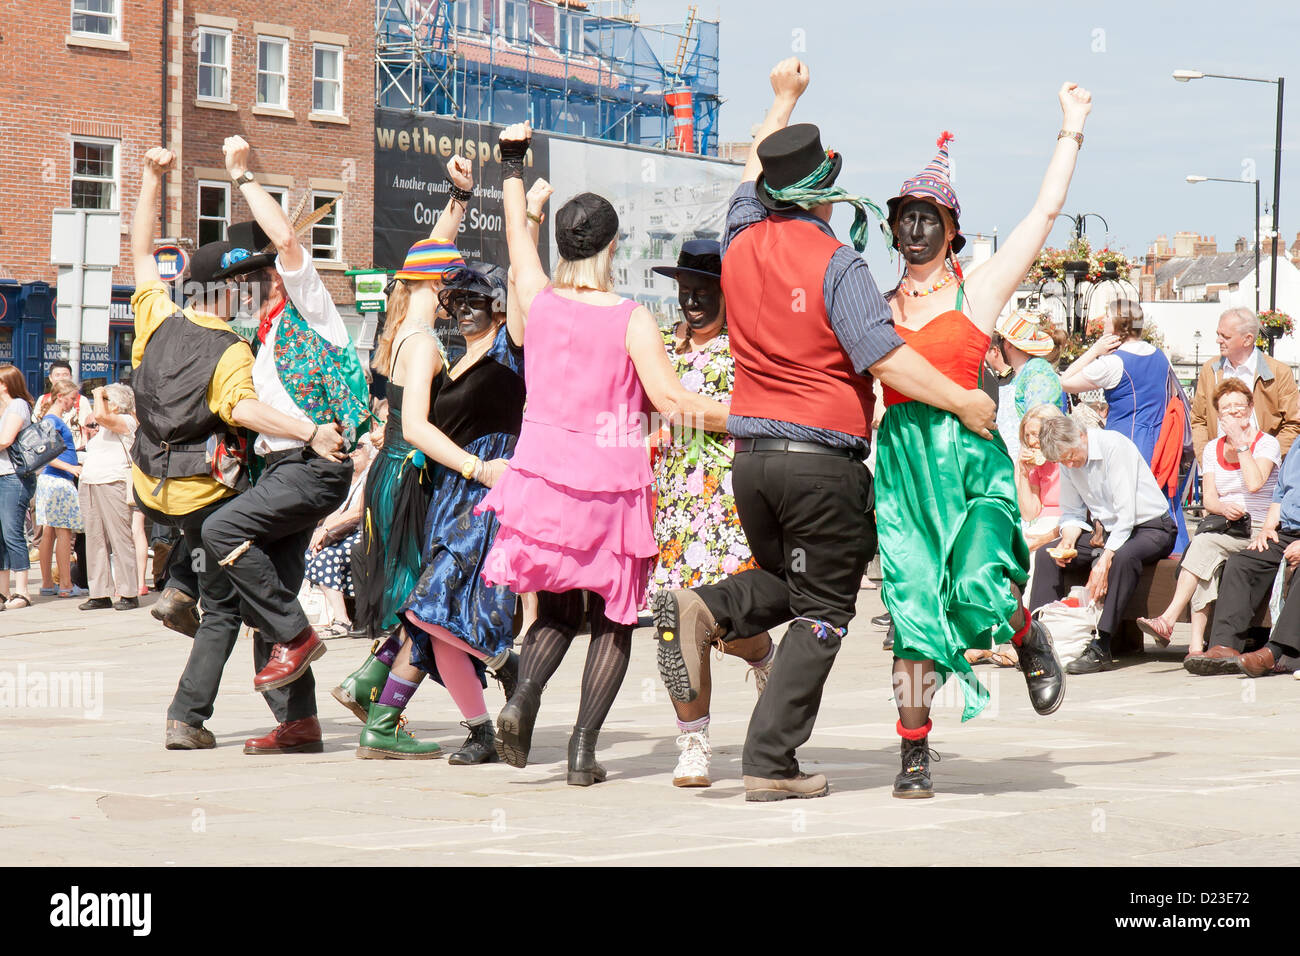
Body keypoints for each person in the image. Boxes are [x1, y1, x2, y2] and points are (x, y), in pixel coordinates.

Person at [649, 59, 1003, 802]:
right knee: (826, 610)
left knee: (793, 583)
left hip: (751, 461)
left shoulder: (740, 237)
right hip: (820, 460)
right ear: (824, 197)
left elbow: (751, 174)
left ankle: (705, 606)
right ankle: (771, 760)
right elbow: (888, 360)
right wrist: (966, 404)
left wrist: (780, 100)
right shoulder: (838, 264)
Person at [481, 121, 734, 787]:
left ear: (561, 242)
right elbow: (674, 404)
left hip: (539, 476)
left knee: (559, 611)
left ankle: (524, 696)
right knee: (614, 621)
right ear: (614, 245)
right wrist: (746, 417)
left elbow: (515, 236)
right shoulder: (631, 319)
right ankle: (583, 753)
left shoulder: (535, 298)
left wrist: (511, 165)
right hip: (611, 484)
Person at [870, 85, 1092, 797]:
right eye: (903, 217)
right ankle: (913, 752)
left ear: (950, 229)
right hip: (903, 471)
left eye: (925, 217)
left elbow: (1044, 214)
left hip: (968, 463)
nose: (912, 229)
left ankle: (1024, 631)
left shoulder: (982, 290)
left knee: (973, 593)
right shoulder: (872, 307)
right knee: (911, 611)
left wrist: (1071, 128)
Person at [127, 146, 346, 752]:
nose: (256, 287)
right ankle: (197, 707)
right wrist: (308, 430)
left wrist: (148, 178)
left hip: (156, 490)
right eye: (248, 281)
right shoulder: (232, 349)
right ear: (228, 291)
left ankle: (185, 593)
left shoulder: (156, 318)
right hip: (213, 490)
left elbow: (141, 253)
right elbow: (240, 410)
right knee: (235, 596)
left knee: (246, 585)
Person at [191, 134, 372, 756]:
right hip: (278, 469)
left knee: (221, 534)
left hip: (311, 467)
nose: (246, 287)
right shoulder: (264, 336)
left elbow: (290, 242)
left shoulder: (312, 306)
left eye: (253, 275)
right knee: (260, 596)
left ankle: (297, 637)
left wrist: (241, 175)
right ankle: (299, 722)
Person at [331, 156, 476, 723]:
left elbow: (429, 254)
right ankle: (384, 710)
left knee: (417, 595)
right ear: (441, 289)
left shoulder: (398, 329)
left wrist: (458, 198)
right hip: (410, 475)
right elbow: (416, 425)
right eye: (456, 289)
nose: (462, 300)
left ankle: (367, 684)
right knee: (424, 598)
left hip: (393, 472)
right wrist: (474, 467)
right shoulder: (422, 344)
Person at [378, 258, 536, 764]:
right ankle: (481, 728)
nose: (465, 310)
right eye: (458, 301)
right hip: (447, 496)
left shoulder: (511, 350)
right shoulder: (447, 363)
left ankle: (502, 661)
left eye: (475, 301)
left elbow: (522, 276)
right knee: (435, 622)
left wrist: (522, 204)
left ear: (496, 306)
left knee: (430, 603)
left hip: (491, 494)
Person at [648, 239, 775, 788]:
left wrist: (701, 415)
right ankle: (693, 741)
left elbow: (763, 415)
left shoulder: (746, 348)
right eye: (684, 293)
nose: (692, 303)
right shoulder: (663, 351)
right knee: (674, 626)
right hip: (675, 504)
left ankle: (763, 655)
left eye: (702, 292)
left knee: (725, 627)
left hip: (727, 503)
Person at [1137, 378, 1279, 657]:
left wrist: (1241, 444)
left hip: (1259, 528)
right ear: (1218, 414)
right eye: (1226, 408)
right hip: (1227, 528)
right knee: (1206, 558)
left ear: (1251, 407)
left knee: (1202, 546)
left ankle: (1169, 621)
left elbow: (1254, 483)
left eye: (1239, 405)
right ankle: (1194, 647)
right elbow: (1210, 499)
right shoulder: (1212, 448)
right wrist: (1224, 508)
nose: (1234, 412)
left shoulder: (1267, 444)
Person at [1029, 416, 1177, 674]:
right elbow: (1072, 512)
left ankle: (1102, 645)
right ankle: (1037, 640)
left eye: (1071, 455)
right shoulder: (1068, 461)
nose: (1069, 463)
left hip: (1152, 527)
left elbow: (1126, 515)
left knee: (1123, 557)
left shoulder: (1113, 446)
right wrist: (1068, 538)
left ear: (1082, 436)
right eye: (1062, 460)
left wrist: (1105, 560)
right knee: (1046, 555)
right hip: (1110, 530)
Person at [1061, 300, 1191, 550]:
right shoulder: (1159, 355)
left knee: (1125, 509)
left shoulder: (1114, 363)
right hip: (1159, 440)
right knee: (1160, 505)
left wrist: (1094, 351)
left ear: (1120, 324)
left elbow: (1065, 381)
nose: (1103, 322)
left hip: (1124, 438)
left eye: (1108, 318)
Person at [1190, 306, 1300, 460]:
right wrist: (1206, 459)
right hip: (1220, 468)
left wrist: (1266, 459)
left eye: (1225, 336)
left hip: (1262, 470)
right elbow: (1198, 420)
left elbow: (1294, 423)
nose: (1218, 340)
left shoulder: (1278, 372)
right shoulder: (1210, 370)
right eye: (1218, 334)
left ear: (1247, 339)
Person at [78, 383, 141, 611]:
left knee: (120, 538)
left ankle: (128, 591)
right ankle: (100, 592)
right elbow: (92, 419)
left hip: (113, 481)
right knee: (94, 539)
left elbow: (101, 416)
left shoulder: (127, 421)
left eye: (105, 400)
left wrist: (97, 393)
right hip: (91, 482)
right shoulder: (103, 427)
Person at [304, 439, 373, 637]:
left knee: (326, 555)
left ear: (370, 454)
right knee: (312, 551)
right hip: (346, 532)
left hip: (364, 531)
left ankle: (342, 619)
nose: (352, 452)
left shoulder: (370, 474)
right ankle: (339, 616)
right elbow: (337, 513)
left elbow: (359, 511)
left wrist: (325, 532)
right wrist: (320, 532)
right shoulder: (351, 480)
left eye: (359, 447)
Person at [32, 382, 86, 600]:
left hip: (50, 481)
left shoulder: (50, 419)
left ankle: (47, 583)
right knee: (63, 532)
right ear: (61, 396)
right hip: (58, 480)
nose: (74, 403)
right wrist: (71, 467)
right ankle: (65, 583)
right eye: (72, 398)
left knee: (49, 532)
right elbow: (46, 453)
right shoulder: (53, 420)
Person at [0, 365, 36, 610]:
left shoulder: (18, 405)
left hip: (15, 477)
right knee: (1, 535)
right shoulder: (5, 408)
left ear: (5, 384)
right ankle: (3, 592)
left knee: (13, 533)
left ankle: (22, 591)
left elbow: (6, 439)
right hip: (3, 476)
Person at [1015, 403, 1067, 551]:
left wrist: (1045, 538)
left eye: (1036, 435)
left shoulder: (1070, 460)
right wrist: (1023, 473)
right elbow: (1029, 514)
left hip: (1066, 524)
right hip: (1043, 522)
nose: (1031, 442)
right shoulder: (1037, 464)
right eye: (1027, 436)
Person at [38, 361, 88, 451]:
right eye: (57, 375)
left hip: (75, 450)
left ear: (71, 377)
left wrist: (83, 447)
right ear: (50, 378)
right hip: (52, 453)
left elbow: (86, 428)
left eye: (65, 375)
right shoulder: (42, 399)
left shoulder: (81, 400)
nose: (61, 378)